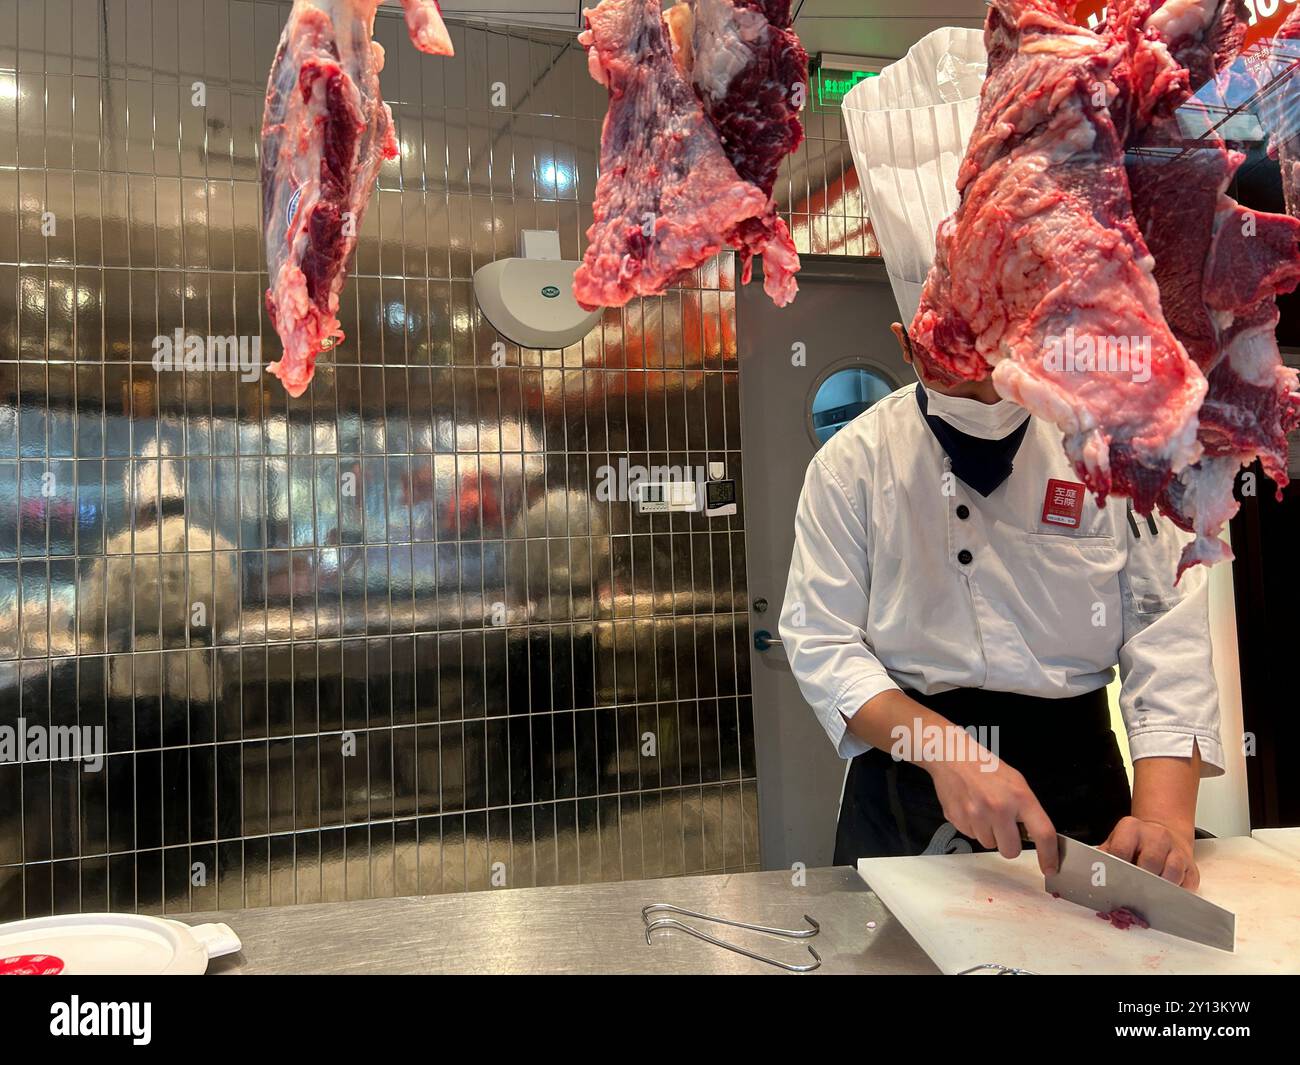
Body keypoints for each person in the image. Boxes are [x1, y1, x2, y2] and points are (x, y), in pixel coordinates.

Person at [781, 27, 1224, 886]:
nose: (986, 374)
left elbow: (1166, 630)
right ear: (906, 341)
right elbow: (823, 641)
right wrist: (939, 746)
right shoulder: (854, 465)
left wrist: (1165, 817)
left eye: (999, 344)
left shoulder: (1103, 439)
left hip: (1078, 783)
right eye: (953, 348)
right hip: (907, 779)